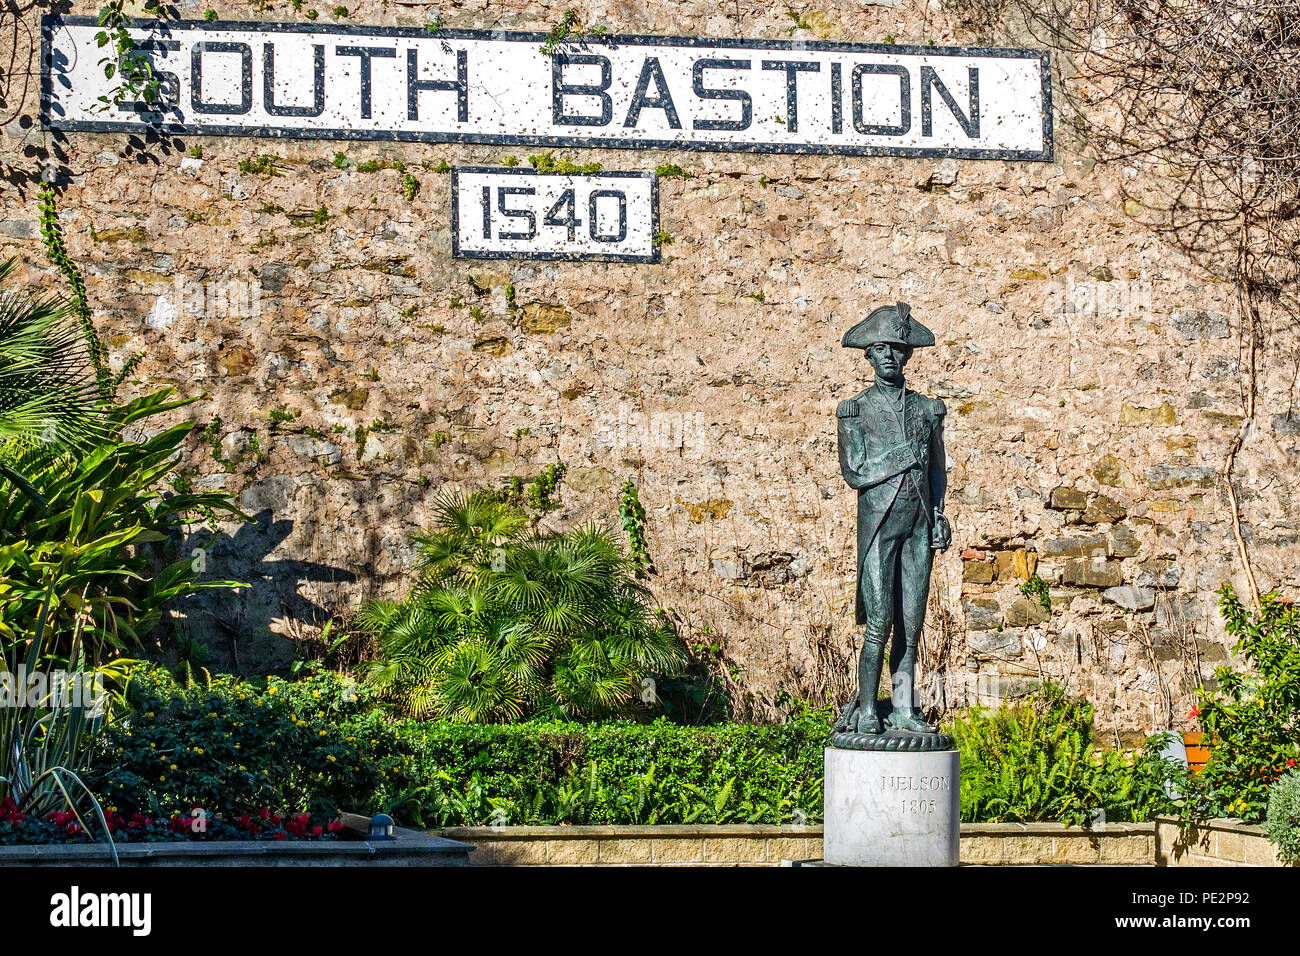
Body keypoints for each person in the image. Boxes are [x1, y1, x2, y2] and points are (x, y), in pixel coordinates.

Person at [835, 302, 951, 735]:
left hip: (919, 525)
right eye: (879, 348)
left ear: (907, 356)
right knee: (880, 624)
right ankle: (867, 709)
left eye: (897, 348)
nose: (888, 355)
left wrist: (939, 513)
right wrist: (902, 457)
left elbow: (937, 468)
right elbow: (855, 473)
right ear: (868, 355)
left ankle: (903, 707)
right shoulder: (855, 410)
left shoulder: (927, 410)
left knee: (911, 625)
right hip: (880, 527)